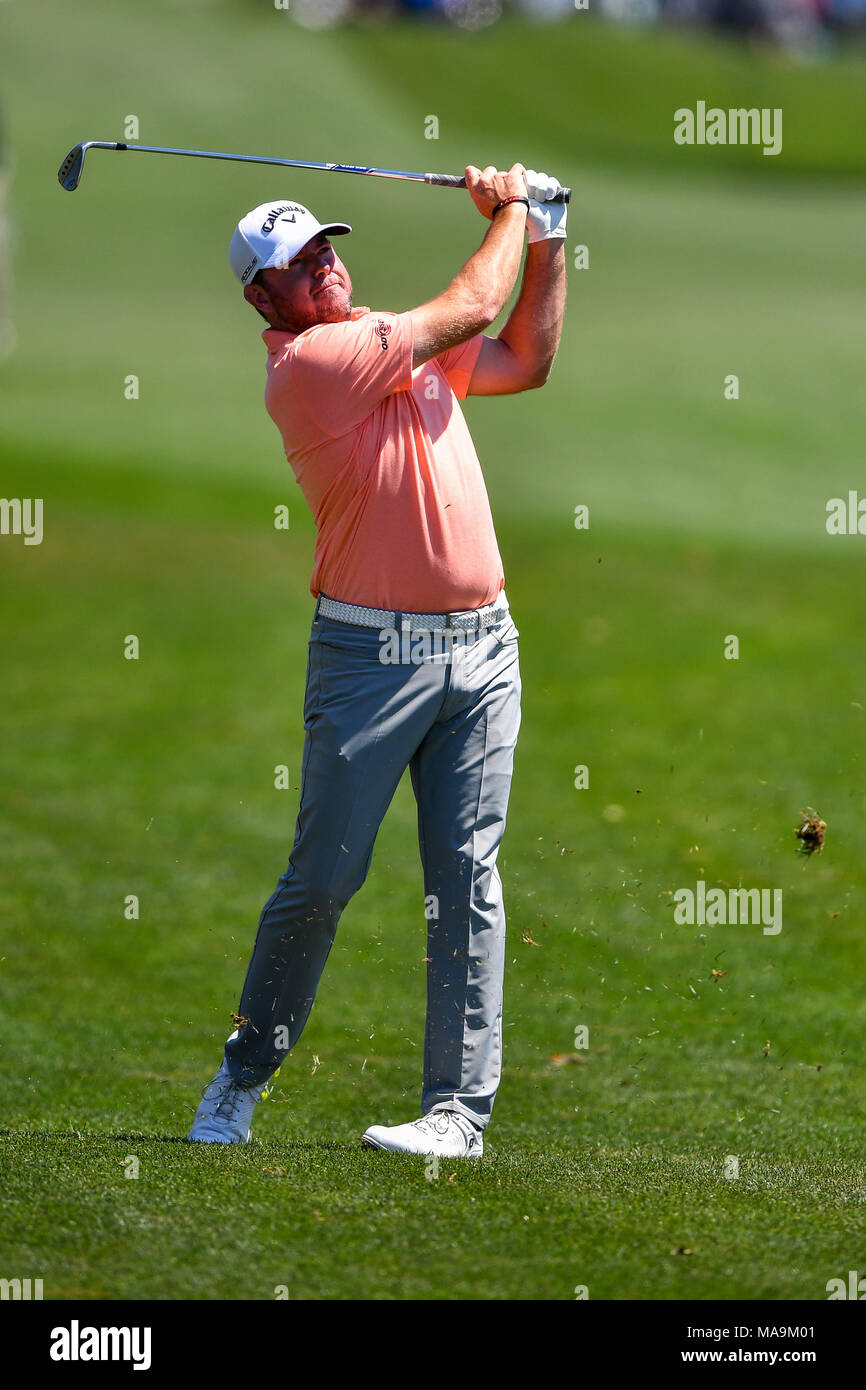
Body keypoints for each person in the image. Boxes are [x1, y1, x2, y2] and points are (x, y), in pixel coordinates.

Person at [188, 163, 567, 1157]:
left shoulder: (391, 339)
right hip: (370, 660)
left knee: (466, 878)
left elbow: (525, 356)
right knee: (321, 878)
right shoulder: (314, 366)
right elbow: (480, 298)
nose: (322, 267)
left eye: (323, 249)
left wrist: (551, 234)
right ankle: (243, 1074)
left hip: (484, 648)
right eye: (295, 264)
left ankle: (457, 1114)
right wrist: (513, 209)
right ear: (260, 300)